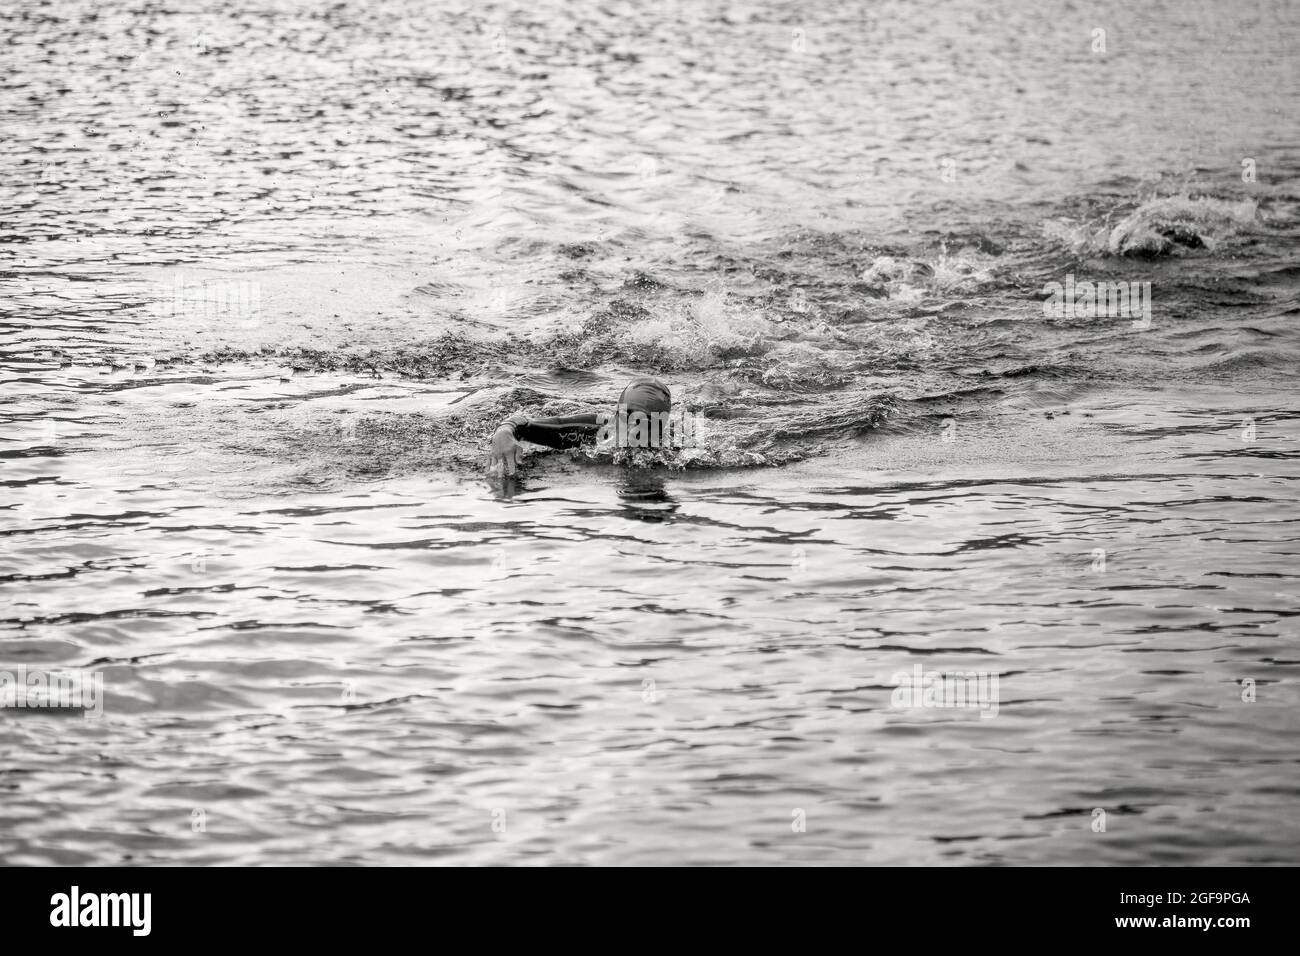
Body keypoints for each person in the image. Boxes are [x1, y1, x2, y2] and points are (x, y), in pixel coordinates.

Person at [488, 377, 672, 475]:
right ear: (617, 417)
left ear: (660, 428)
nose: (633, 430)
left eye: (644, 423)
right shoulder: (597, 434)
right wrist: (504, 431)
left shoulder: (676, 447)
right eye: (626, 417)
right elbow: (527, 424)